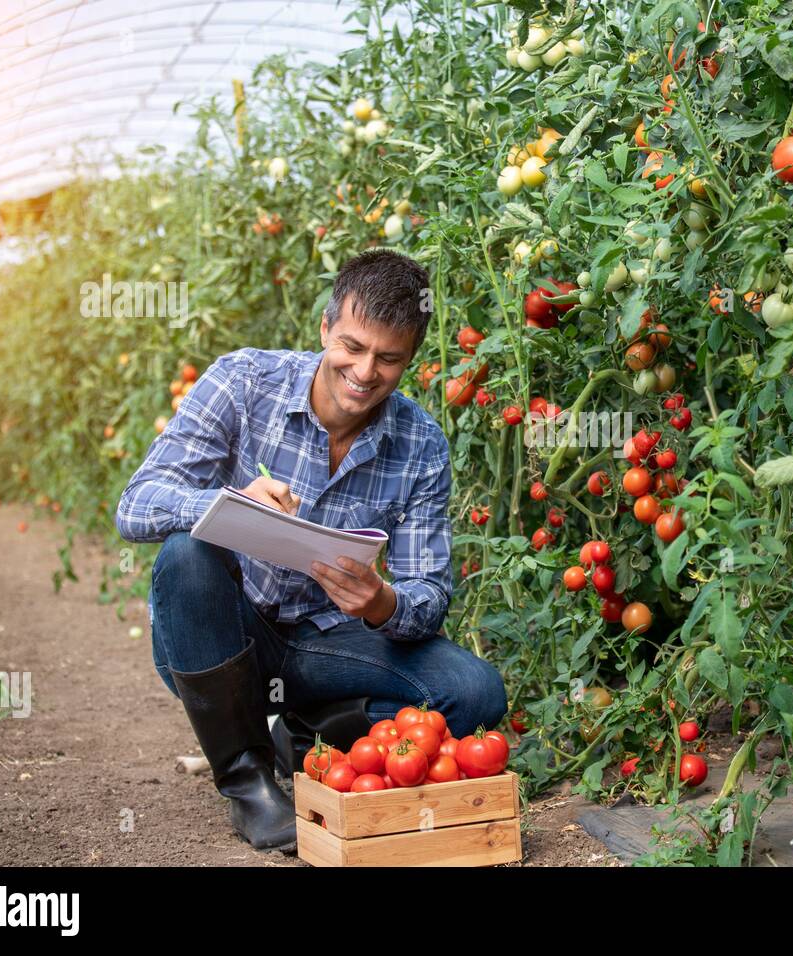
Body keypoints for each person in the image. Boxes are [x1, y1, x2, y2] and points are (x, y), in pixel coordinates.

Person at [116, 250, 506, 851]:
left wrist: (381, 602)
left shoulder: (420, 443)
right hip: (227, 638)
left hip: (328, 645)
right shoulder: (244, 383)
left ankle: (304, 732)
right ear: (325, 328)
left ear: (410, 358)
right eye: (352, 346)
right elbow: (136, 505)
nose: (365, 371)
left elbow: (428, 594)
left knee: (476, 693)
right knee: (184, 556)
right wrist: (229, 505)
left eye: (389, 358)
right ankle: (246, 782)